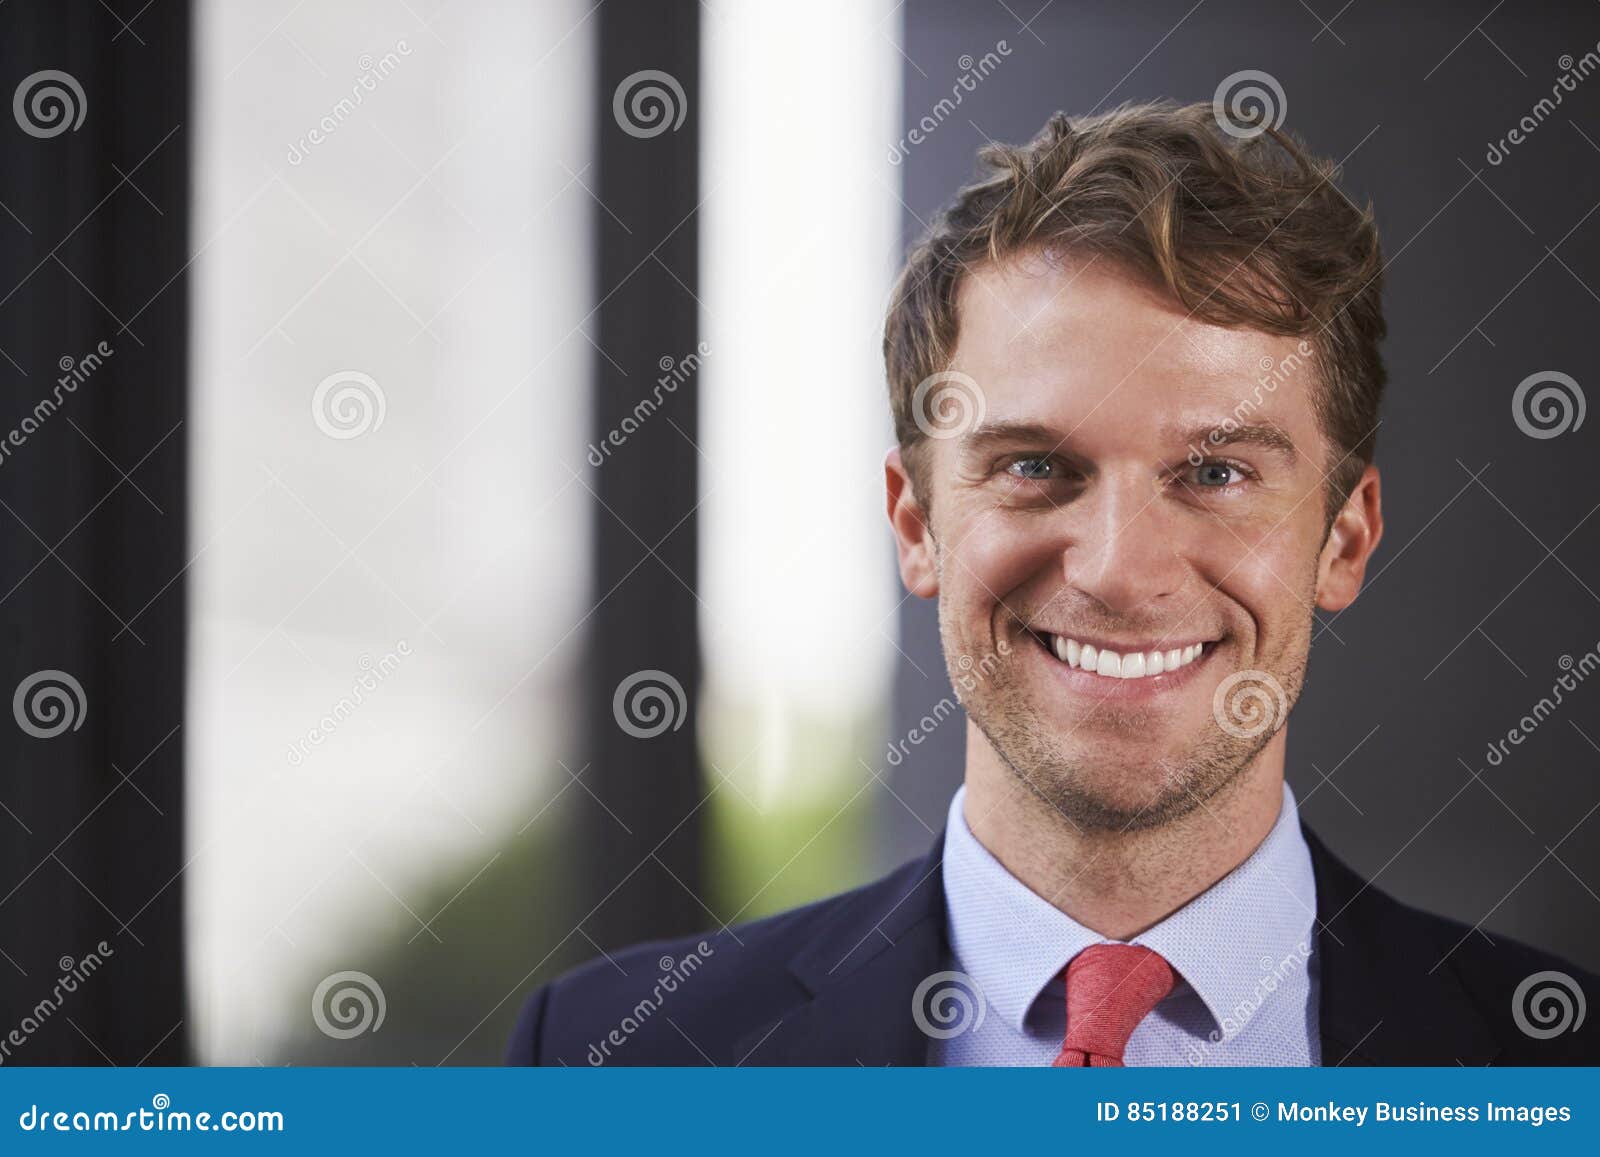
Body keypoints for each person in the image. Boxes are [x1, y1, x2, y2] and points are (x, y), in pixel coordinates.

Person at [507, 101, 1597, 1066]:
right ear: (916, 521)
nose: (1120, 569)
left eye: (1215, 472)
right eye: (1035, 467)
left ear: (1342, 542)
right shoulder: (625, 1060)